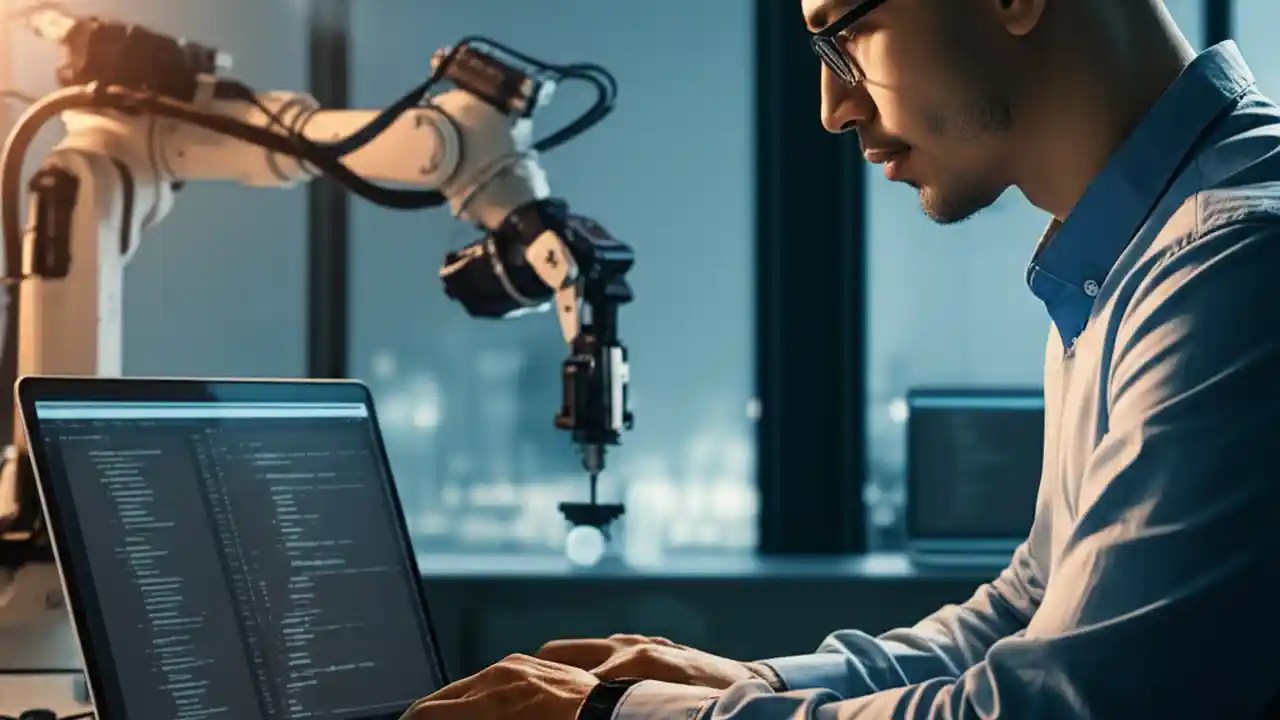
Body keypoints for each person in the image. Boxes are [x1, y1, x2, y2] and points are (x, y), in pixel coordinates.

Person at [403, 0, 1280, 717]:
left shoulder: (1229, 266)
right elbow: (1031, 608)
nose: (833, 105)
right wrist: (754, 683)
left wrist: (616, 718)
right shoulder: (1128, 258)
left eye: (847, 31)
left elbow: (1073, 705)